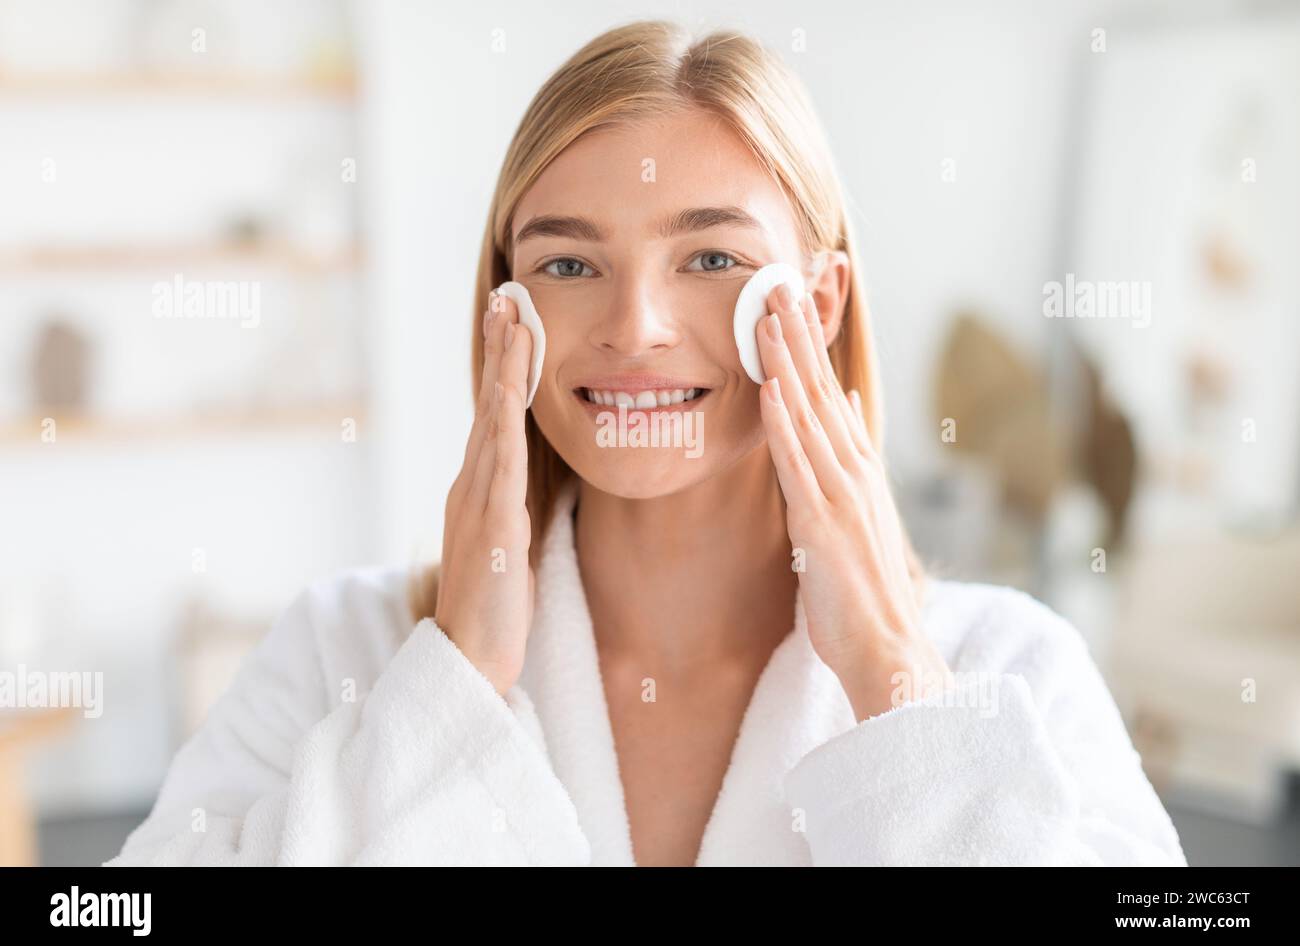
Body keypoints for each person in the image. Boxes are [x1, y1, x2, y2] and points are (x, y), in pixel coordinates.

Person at [106, 20, 1187, 867]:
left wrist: (891, 675)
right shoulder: (343, 651)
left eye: (710, 258)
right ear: (503, 310)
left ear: (816, 302)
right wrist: (451, 692)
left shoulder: (1008, 669)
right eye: (568, 265)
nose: (634, 327)